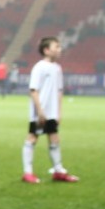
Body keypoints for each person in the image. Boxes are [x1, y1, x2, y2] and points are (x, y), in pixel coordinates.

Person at [22, 36, 78, 184]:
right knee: (32, 137)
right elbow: (33, 90)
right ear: (46, 50)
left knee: (54, 137)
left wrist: (58, 112)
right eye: (56, 47)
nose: (60, 49)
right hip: (40, 110)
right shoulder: (39, 67)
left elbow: (59, 91)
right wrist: (39, 111)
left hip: (52, 111)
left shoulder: (57, 68)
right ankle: (27, 173)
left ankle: (58, 171)